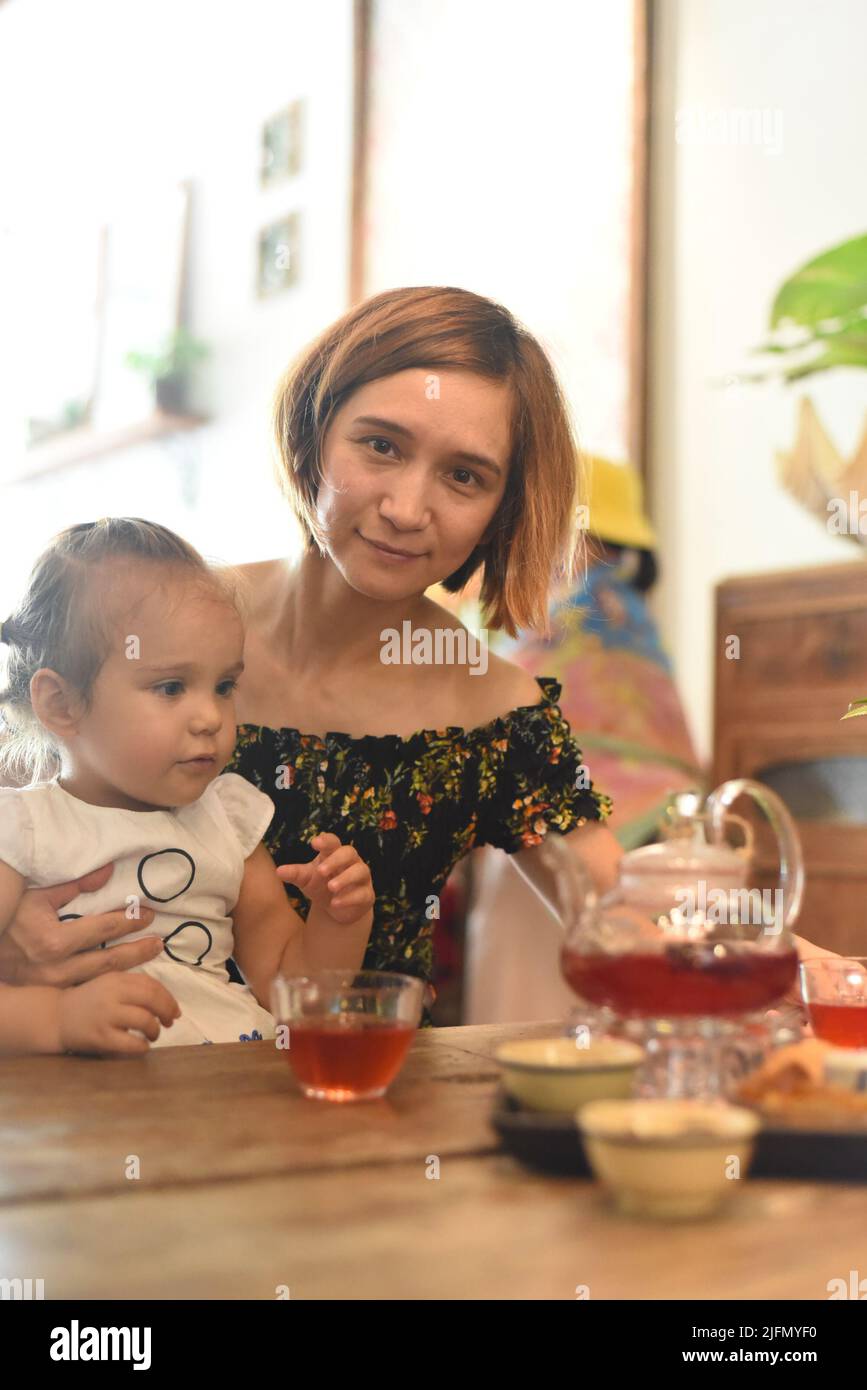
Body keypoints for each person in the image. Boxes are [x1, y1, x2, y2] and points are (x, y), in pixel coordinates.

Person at [0, 285, 623, 1029]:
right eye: (381, 445)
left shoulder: (500, 715)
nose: (404, 507)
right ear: (314, 433)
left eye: (464, 476)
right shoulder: (135, 624)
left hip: (358, 1111)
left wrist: (768, 953)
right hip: (101, 1107)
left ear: (504, 508)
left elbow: (623, 919)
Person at [0, 519, 374, 1053]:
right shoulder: (21, 830)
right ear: (62, 704)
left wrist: (340, 921)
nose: (210, 717)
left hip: (229, 1089)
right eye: (171, 687)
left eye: (224, 686)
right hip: (88, 1110)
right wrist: (56, 1019)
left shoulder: (228, 816)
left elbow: (293, 991)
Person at [464, 455, 706, 1022]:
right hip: (657, 825)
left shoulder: (557, 607)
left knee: (527, 997)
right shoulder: (630, 614)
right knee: (628, 990)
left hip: (547, 834)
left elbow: (493, 718)